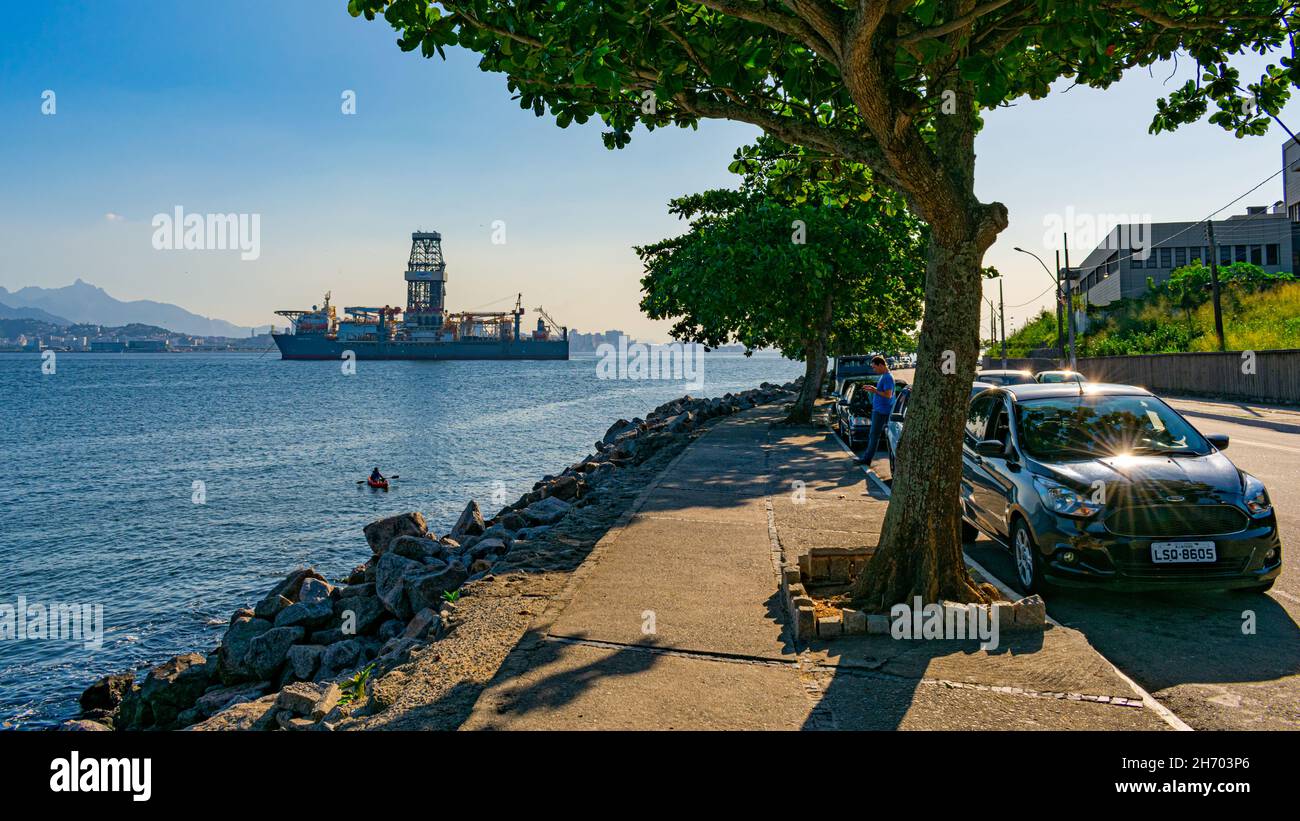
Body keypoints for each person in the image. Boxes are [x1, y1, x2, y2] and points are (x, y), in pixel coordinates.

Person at [855, 356, 895, 466]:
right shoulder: (885, 376)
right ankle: (867, 458)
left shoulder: (887, 377)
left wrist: (874, 390)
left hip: (882, 411)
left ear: (881, 365)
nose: (874, 370)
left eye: (874, 367)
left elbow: (888, 394)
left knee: (874, 435)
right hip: (880, 410)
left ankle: (867, 459)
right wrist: (873, 388)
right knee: (875, 435)